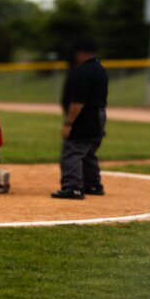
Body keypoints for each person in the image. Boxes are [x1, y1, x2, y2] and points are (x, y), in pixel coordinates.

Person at [52, 33, 109, 200]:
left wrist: (69, 123)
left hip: (85, 116)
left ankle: (72, 188)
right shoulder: (100, 68)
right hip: (99, 115)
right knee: (89, 151)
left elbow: (78, 102)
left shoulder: (82, 72)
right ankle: (92, 184)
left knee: (73, 150)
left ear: (81, 52)